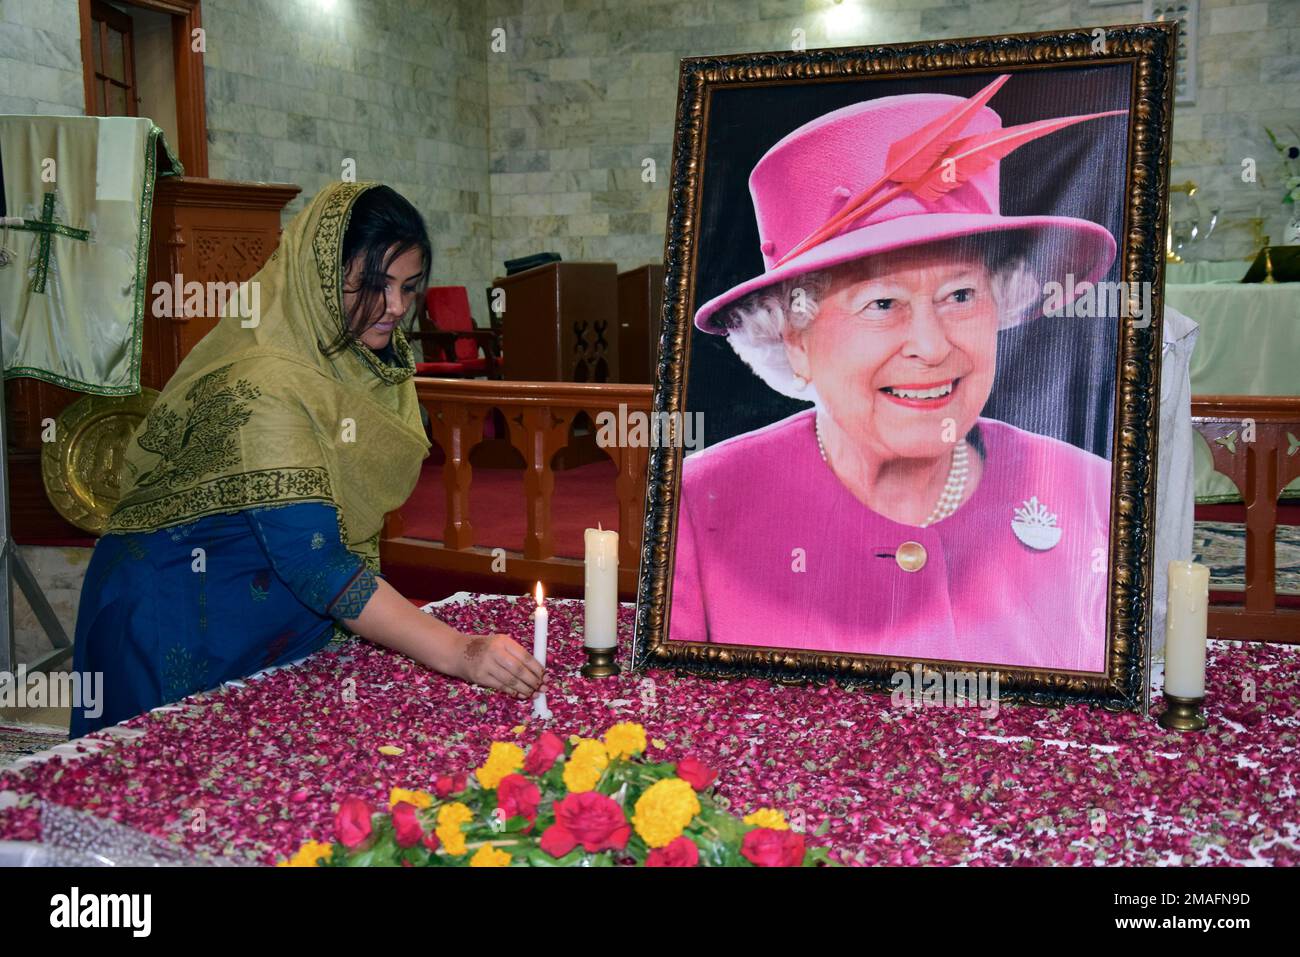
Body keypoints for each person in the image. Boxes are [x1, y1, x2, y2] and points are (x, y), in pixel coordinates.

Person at [669, 76, 1126, 671]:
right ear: (794, 338)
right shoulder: (703, 502)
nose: (932, 347)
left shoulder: (1090, 491)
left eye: (961, 295)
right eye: (881, 304)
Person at [70, 182, 544, 736]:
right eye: (374, 285)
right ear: (318, 276)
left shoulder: (355, 361)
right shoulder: (267, 382)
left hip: (273, 607)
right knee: (165, 795)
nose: (396, 307)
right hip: (178, 615)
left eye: (408, 288)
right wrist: (458, 652)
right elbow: (316, 564)